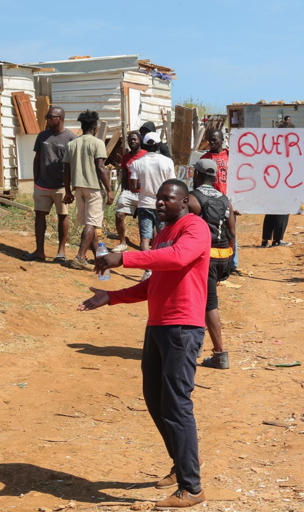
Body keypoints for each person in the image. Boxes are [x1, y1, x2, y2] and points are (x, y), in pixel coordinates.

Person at [78, 179, 209, 509]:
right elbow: (151, 285)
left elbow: (178, 258)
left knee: (176, 404)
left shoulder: (195, 228)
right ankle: (181, 463)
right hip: (158, 326)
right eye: (159, 198)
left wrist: (123, 259)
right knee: (155, 400)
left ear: (184, 202)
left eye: (169, 199)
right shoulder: (163, 235)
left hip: (183, 327)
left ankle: (191, 487)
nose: (161, 203)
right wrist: (111, 297)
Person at [188, 160, 235, 370]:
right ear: (215, 177)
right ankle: (196, 344)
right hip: (222, 255)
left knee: (208, 304)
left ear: (197, 175)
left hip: (203, 257)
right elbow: (232, 232)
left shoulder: (193, 198)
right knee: (201, 298)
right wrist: (229, 259)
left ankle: (219, 353)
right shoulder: (225, 200)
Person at [63, 110, 114, 270]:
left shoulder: (72, 144)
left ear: (82, 126)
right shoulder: (98, 143)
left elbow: (66, 170)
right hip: (94, 188)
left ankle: (99, 258)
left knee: (88, 224)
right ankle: (80, 257)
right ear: (95, 127)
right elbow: (101, 168)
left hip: (78, 189)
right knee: (92, 224)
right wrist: (109, 190)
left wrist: (68, 191)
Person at [25, 106, 76, 262]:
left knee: (62, 216)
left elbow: (74, 164)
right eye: (47, 116)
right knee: (39, 216)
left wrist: (70, 187)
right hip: (42, 185)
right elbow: (37, 159)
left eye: (50, 116)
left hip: (61, 186)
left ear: (60, 118)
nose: (47, 119)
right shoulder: (42, 136)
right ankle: (39, 251)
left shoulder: (71, 138)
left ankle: (61, 252)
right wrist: (36, 181)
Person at [130, 132, 176, 280]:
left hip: (144, 204)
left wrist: (143, 185)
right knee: (164, 237)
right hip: (162, 205)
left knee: (145, 238)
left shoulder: (136, 163)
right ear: (158, 144)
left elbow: (133, 187)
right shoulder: (167, 162)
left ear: (144, 145)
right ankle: (163, 268)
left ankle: (148, 270)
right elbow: (172, 184)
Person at [112, 131, 147, 253]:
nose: (132, 141)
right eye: (130, 139)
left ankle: (148, 244)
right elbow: (124, 175)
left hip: (144, 192)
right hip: (129, 192)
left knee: (146, 220)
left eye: (134, 139)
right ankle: (123, 243)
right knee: (119, 215)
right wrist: (123, 191)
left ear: (140, 140)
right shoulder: (126, 157)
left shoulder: (146, 155)